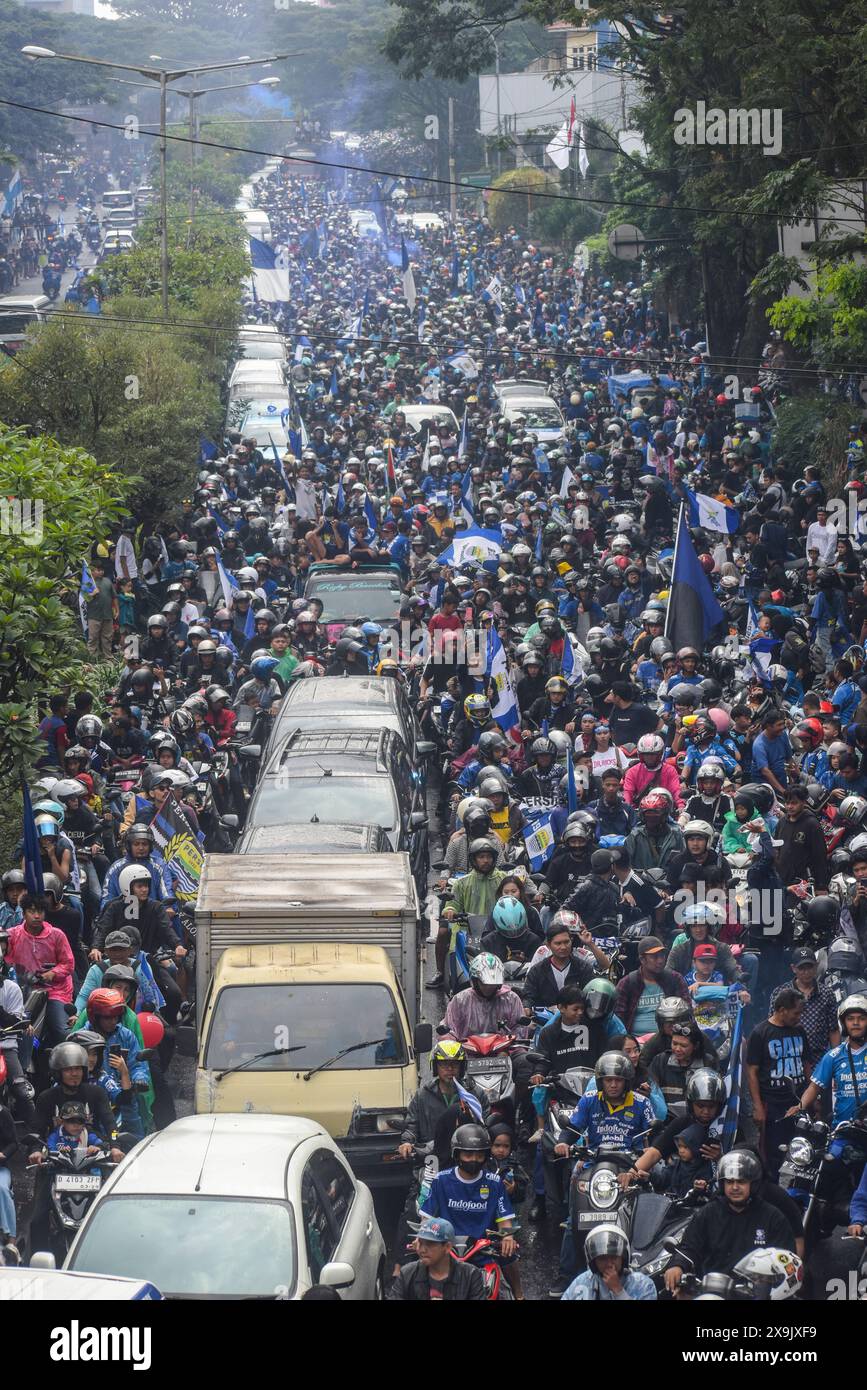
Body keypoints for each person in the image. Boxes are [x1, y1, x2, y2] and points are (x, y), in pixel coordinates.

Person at [664, 1150, 797, 1292]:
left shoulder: (773, 1218)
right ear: (722, 1184)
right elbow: (689, 1247)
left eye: (741, 1182)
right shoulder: (708, 1213)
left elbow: (785, 1260)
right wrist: (677, 1265)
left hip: (755, 1294)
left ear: (753, 1184)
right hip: (710, 1292)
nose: (735, 1187)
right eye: (729, 1182)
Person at [419, 1124, 519, 1295]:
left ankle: (520, 1294)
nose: (473, 1159)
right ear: (457, 1155)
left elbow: (505, 1221)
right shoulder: (440, 1181)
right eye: (468, 1154)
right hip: (447, 1253)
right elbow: (426, 1219)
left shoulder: (495, 1183)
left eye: (479, 1155)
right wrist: (423, 1238)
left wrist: (507, 1237)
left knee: (510, 1259)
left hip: (485, 1252)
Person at [745, 988, 812, 1179]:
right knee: (774, 1153)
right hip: (772, 1104)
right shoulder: (761, 1033)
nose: (799, 1017)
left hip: (799, 1102)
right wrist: (758, 1106)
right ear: (782, 1009)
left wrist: (812, 1095)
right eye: (796, 1013)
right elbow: (752, 1073)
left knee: (801, 1150)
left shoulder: (799, 1030)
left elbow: (806, 1063)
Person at [387, 1216, 487, 1300]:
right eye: (420, 1243)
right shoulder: (407, 1273)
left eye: (430, 1244)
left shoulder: (471, 1275)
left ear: (447, 1247)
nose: (422, 1250)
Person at [561, 1223, 657, 1301]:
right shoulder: (582, 1283)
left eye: (614, 1257)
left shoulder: (642, 1285)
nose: (609, 1264)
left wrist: (618, 1291)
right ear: (593, 1262)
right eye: (602, 1259)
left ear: (623, 1258)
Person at [615, 936, 690, 1033]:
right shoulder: (627, 983)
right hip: (636, 1043)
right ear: (642, 959)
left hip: (671, 1041)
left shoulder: (675, 979)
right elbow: (618, 1019)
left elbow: (687, 1012)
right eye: (654, 957)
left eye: (662, 955)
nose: (660, 961)